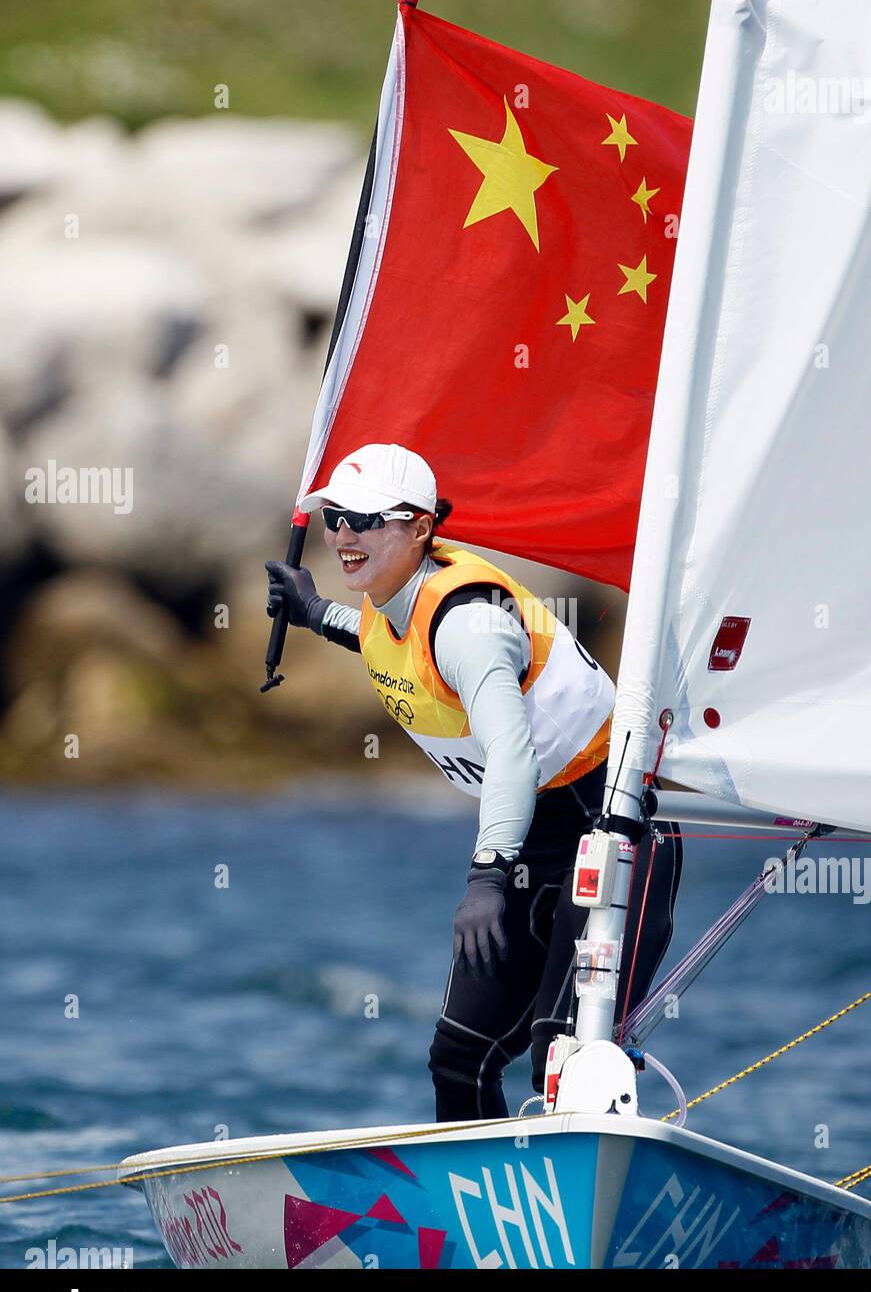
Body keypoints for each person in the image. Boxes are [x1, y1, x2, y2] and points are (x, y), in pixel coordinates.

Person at [266, 442, 682, 1121]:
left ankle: (579, 1208)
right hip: (531, 838)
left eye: (366, 519)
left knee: (565, 1056)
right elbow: (391, 643)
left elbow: (512, 755)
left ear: (421, 527)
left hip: (610, 831)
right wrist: (315, 613)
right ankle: (475, 1217)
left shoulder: (471, 624)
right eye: (335, 517)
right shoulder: (387, 598)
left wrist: (485, 877)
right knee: (459, 1058)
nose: (343, 534)